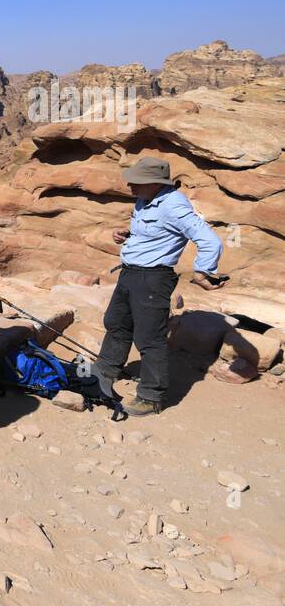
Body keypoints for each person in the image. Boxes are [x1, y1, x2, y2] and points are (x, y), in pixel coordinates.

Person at [96, 156, 226, 416]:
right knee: (116, 322)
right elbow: (155, 234)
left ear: (156, 183)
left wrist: (203, 272)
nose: (130, 185)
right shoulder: (145, 199)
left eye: (137, 181)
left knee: (149, 338)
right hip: (130, 274)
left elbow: (211, 241)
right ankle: (105, 372)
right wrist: (126, 234)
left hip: (153, 279)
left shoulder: (174, 206)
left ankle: (151, 397)